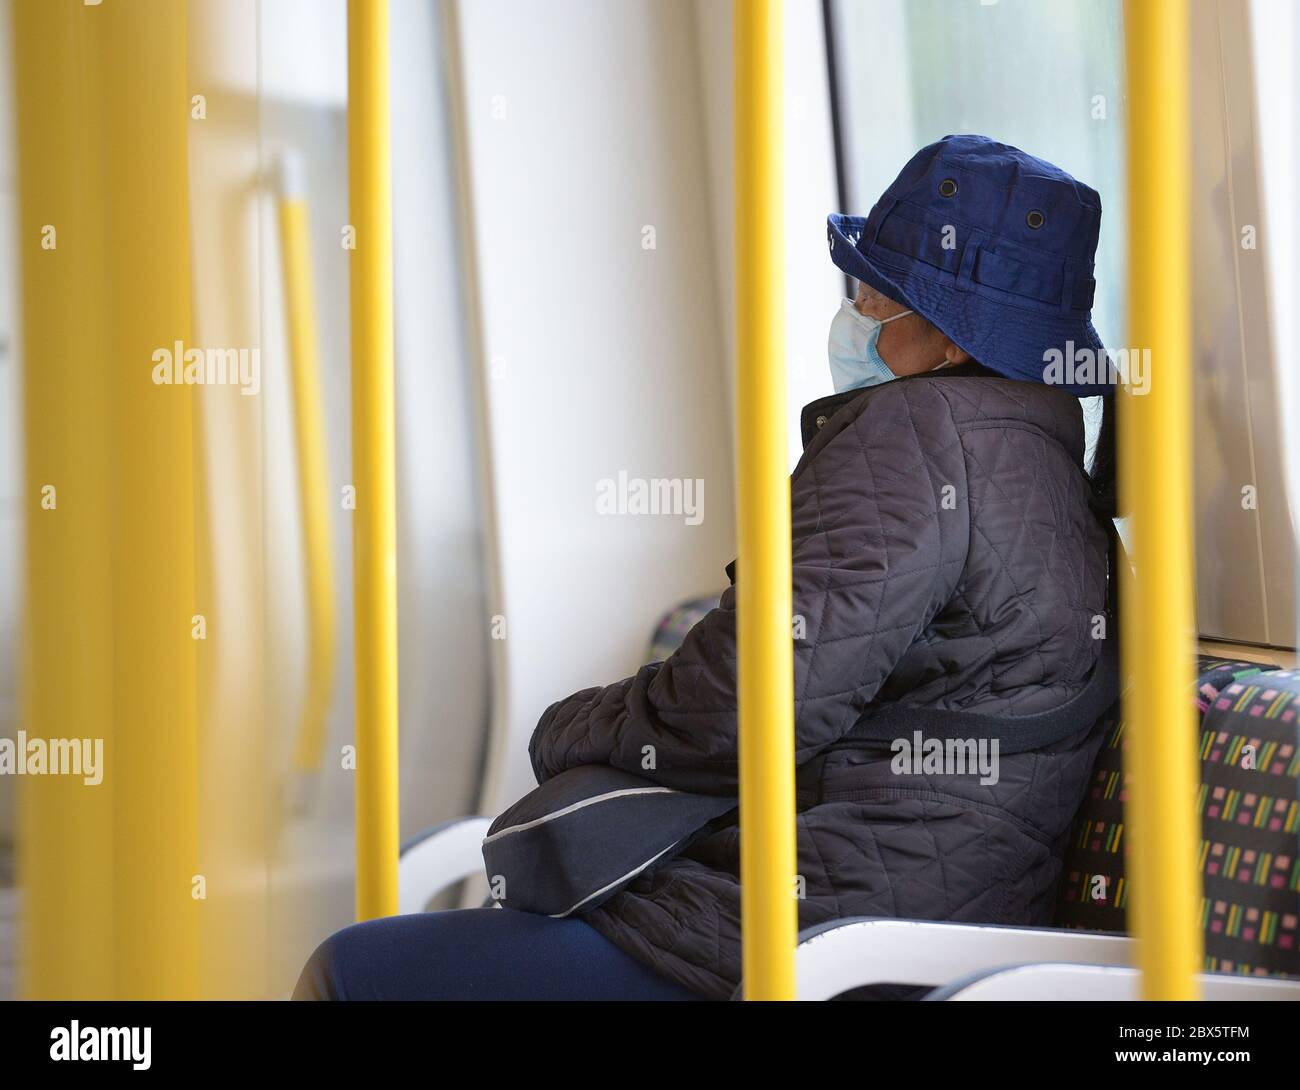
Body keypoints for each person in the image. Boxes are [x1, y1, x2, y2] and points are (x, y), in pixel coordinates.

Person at [295, 134, 1117, 1001]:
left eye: (881, 293)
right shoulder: (1052, 471)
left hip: (816, 940)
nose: (859, 308)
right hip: (923, 923)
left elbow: (744, 706)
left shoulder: (917, 436)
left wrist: (570, 729)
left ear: (952, 339)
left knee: (355, 974)